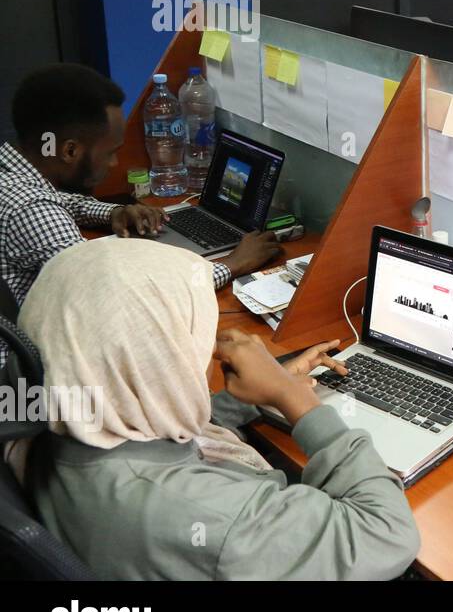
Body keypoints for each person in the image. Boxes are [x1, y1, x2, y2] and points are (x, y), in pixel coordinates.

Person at [6, 236, 421, 580]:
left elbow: (164, 443)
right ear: (152, 360)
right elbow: (387, 535)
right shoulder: (212, 518)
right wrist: (295, 400)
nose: (208, 347)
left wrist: (270, 385)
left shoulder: (59, 423)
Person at [0, 63, 281, 305]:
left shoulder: (14, 174)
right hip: (26, 364)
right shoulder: (32, 209)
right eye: (110, 152)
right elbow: (119, 300)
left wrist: (113, 212)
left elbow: (58, 200)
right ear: (70, 151)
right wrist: (231, 265)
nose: (112, 164)